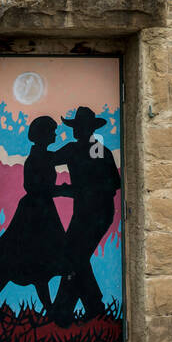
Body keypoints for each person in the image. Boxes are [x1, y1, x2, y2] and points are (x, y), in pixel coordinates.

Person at [0, 115, 70, 317]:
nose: (55, 134)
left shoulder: (43, 155)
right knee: (28, 257)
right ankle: (49, 309)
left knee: (33, 259)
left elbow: (61, 160)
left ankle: (48, 308)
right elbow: (33, 186)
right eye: (51, 131)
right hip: (35, 212)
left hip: (41, 210)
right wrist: (60, 190)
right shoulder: (36, 158)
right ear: (43, 135)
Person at [51, 106, 121, 324]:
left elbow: (110, 185)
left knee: (74, 256)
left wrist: (69, 190)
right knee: (75, 257)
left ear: (89, 129)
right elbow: (49, 159)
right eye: (76, 127)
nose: (77, 131)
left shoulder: (99, 151)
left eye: (81, 127)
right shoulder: (73, 149)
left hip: (97, 213)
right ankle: (90, 306)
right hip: (84, 212)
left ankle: (67, 310)